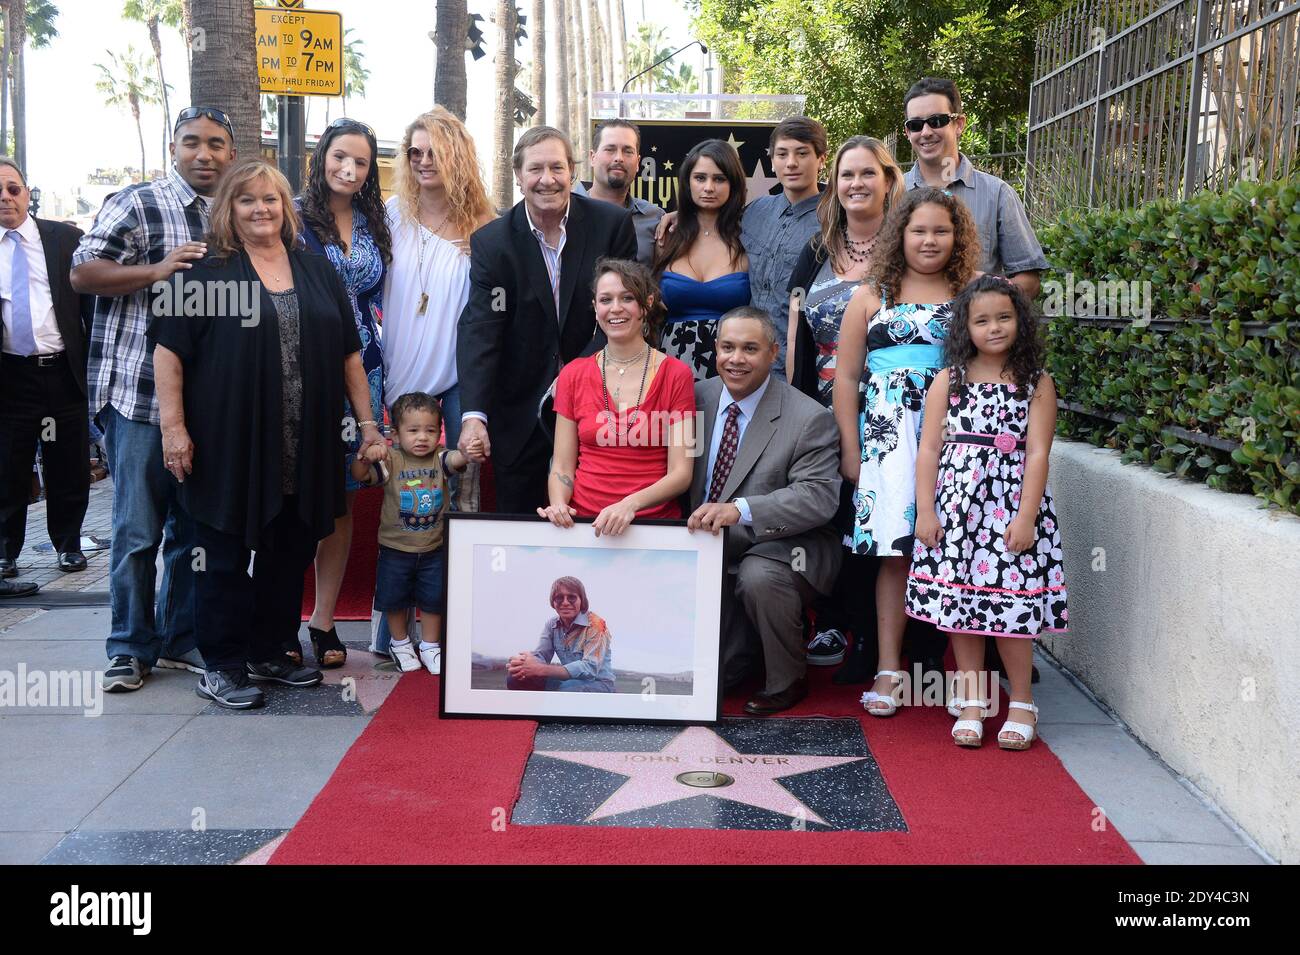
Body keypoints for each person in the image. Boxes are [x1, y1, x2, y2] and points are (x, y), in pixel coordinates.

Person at [148, 160, 388, 710]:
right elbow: (168, 354)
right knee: (224, 555)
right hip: (228, 444)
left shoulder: (318, 271)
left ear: (287, 208)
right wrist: (174, 429)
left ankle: (268, 650)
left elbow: (351, 352)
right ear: (228, 210)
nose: (261, 209)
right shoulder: (205, 276)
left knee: (291, 547)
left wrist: (369, 423)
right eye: (247, 200)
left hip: (306, 441)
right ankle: (223, 665)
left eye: (271, 199)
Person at [72, 105, 238, 693]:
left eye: (217, 144)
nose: (205, 154)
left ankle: (179, 638)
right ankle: (127, 646)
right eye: (192, 142)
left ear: (230, 153)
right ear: (173, 148)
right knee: (137, 530)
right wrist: (158, 270)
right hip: (139, 400)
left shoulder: (233, 214)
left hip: (209, 406)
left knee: (193, 535)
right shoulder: (137, 202)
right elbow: (83, 274)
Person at [833, 187, 979, 717]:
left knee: (955, 551)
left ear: (957, 236)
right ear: (901, 234)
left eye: (942, 230)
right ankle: (890, 671)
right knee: (893, 555)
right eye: (919, 230)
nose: (930, 240)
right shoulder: (871, 294)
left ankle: (966, 681)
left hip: (957, 439)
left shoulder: (972, 294)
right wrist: (852, 447)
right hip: (888, 441)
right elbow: (847, 378)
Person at [909, 275, 1067, 748]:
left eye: (1004, 317)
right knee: (962, 608)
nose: (994, 328)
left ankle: (1021, 701)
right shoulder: (948, 380)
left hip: (1009, 509)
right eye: (982, 320)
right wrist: (925, 511)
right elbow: (929, 449)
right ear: (965, 328)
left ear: (1021, 321)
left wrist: (1026, 517)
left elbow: (1038, 452)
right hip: (957, 511)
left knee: (1010, 608)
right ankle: (974, 699)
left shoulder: (1036, 383)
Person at [456, 125, 638, 514]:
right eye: (536, 169)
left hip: (596, 408)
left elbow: (624, 313)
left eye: (557, 167)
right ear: (519, 177)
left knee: (590, 528)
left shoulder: (611, 225)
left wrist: (575, 375)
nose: (547, 179)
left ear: (572, 171)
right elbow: (482, 330)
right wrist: (474, 415)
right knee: (520, 530)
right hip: (519, 414)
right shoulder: (492, 243)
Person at [784, 137, 904, 676]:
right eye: (846, 174)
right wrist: (790, 405)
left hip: (889, 407)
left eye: (866, 174)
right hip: (820, 404)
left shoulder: (908, 246)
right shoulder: (816, 249)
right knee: (831, 513)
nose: (856, 184)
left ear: (887, 180)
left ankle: (881, 643)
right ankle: (834, 622)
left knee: (879, 516)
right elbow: (795, 333)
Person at [377, 107, 495, 657]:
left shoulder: (485, 227)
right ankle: (393, 627)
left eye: (435, 151)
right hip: (397, 375)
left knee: (458, 497)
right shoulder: (388, 215)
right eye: (415, 152)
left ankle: (453, 622)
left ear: (458, 155)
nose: (424, 162)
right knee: (402, 501)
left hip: (454, 379)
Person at [687, 307, 841, 715]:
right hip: (708, 545)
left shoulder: (809, 418)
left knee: (759, 578)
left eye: (750, 349)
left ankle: (787, 679)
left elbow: (819, 497)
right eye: (728, 347)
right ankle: (749, 647)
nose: (736, 358)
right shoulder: (693, 399)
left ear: (773, 353)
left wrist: (741, 510)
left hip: (785, 544)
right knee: (720, 676)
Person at [295, 116, 393, 669]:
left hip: (366, 371)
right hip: (302, 369)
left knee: (343, 500)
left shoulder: (373, 220)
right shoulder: (293, 219)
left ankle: (325, 620)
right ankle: (278, 614)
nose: (348, 169)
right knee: (292, 497)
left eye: (359, 161)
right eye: (339, 157)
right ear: (321, 157)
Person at [657, 117, 829, 377]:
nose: (791, 162)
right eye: (782, 153)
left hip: (796, 361)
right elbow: (711, 216)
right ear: (772, 159)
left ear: (822, 159)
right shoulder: (754, 214)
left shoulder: (833, 220)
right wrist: (680, 215)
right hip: (719, 365)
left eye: (802, 153)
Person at [538, 259, 695, 534]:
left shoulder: (678, 374)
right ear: (595, 308)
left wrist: (629, 505)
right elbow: (562, 465)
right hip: (586, 525)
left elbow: (682, 474)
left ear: (647, 304)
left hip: (653, 527)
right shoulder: (573, 374)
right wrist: (559, 504)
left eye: (627, 298)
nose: (615, 308)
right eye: (605, 299)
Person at [0, 158, 92, 593]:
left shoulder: (63, 239)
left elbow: (91, 303)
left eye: (12, 189)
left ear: (26, 191)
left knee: (67, 462)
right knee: (8, 466)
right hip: (10, 376)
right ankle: (6, 551)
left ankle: (68, 543)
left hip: (61, 372)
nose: (5, 197)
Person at [352, 392, 468, 676]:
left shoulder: (439, 458)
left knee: (433, 600)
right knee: (394, 599)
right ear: (395, 433)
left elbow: (456, 461)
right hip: (395, 549)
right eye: (413, 430)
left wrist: (466, 451)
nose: (422, 438)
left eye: (430, 430)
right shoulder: (392, 460)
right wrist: (366, 458)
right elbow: (358, 474)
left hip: (433, 549)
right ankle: (400, 643)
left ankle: (430, 646)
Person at [902, 77, 1048, 299]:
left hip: (972, 331)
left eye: (937, 121)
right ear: (907, 133)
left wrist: (983, 299)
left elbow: (1028, 280)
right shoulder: (891, 193)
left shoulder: (997, 194)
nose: (926, 132)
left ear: (959, 124)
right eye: (915, 125)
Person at [652, 139, 750, 381]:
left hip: (733, 368)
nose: (708, 187)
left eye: (719, 179)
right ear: (687, 183)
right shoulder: (667, 235)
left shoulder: (750, 236)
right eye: (700, 178)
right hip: (671, 367)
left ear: (733, 183)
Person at [572, 119, 665, 265]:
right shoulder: (564, 213)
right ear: (592, 157)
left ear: (638, 163)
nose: (619, 158)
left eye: (628, 151)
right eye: (610, 149)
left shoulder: (656, 219)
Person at [506, 576, 615, 692]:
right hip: (569, 680)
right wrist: (523, 662)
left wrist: (541, 669)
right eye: (559, 598)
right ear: (553, 602)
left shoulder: (596, 625)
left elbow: (590, 668)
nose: (565, 603)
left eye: (571, 597)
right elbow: (541, 655)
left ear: (582, 600)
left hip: (598, 683)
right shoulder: (552, 625)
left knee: (566, 690)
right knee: (515, 678)